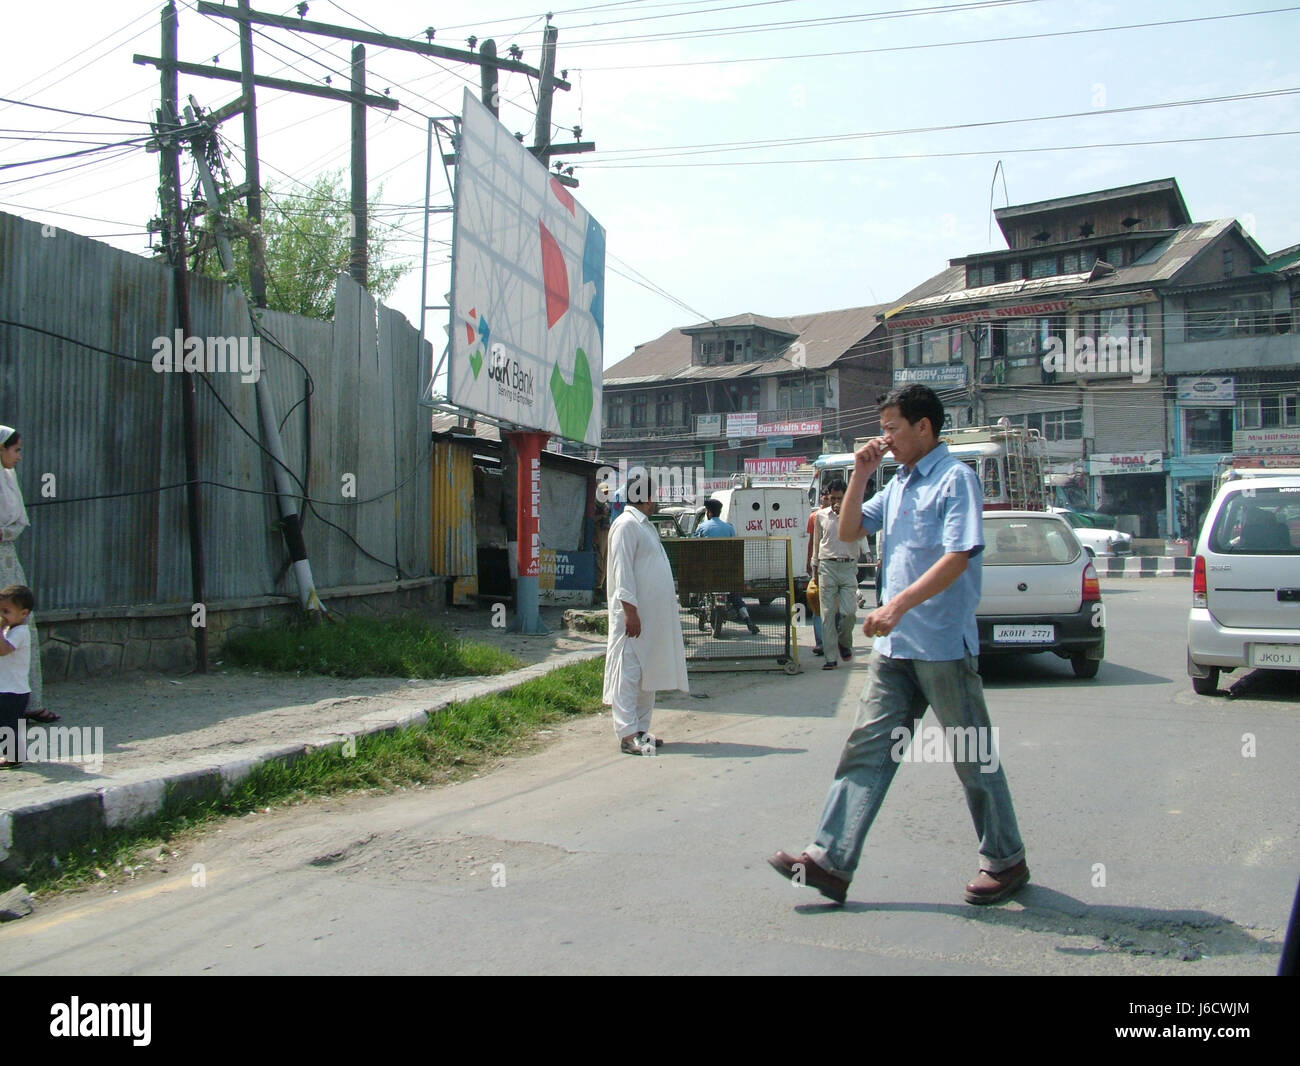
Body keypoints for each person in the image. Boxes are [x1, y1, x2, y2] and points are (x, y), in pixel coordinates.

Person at [769, 385, 1028, 906]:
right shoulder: (902, 482)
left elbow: (958, 556)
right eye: (882, 428)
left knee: (971, 755)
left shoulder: (956, 481)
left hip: (940, 646)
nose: (884, 438)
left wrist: (896, 606)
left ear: (923, 427)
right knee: (866, 749)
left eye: (891, 428)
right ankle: (829, 861)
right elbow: (847, 530)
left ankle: (1006, 860)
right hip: (895, 650)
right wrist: (862, 474)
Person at [602, 467, 689, 756]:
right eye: (654, 495)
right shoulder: (626, 525)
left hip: (650, 618)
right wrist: (631, 612)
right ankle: (627, 734)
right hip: (633, 617)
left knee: (645, 672)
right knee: (628, 673)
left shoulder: (644, 525)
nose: (657, 500)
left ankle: (640, 729)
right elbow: (622, 573)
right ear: (646, 498)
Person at [0, 427, 55, 723]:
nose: (19, 457)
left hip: (6, 559)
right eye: (15, 450)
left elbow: (17, 521)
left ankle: (28, 701)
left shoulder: (7, 480)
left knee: (19, 622)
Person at [809, 478, 867, 670]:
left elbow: (861, 537)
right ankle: (830, 658)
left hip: (848, 567)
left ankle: (844, 641)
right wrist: (814, 569)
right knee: (827, 614)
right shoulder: (820, 516)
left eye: (840, 499)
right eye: (832, 498)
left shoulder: (856, 515)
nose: (835, 503)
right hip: (827, 567)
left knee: (848, 613)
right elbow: (817, 544)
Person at [693, 498, 760, 635]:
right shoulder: (729, 528)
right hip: (727, 570)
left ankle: (700, 608)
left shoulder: (702, 527)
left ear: (709, 512)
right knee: (734, 595)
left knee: (699, 586)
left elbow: (693, 544)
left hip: (708, 570)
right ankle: (748, 620)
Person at [0, 584, 35, 769]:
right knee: (8, 724)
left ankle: (13, 757)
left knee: (6, 724)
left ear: (23, 613)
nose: (2, 616)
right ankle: (15, 754)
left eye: (6, 611)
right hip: (6, 687)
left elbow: (3, 650)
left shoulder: (20, 632)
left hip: (12, 690)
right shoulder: (9, 630)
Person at [805, 488, 830, 654]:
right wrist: (809, 562)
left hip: (834, 565)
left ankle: (833, 640)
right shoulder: (815, 517)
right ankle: (821, 642)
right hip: (819, 564)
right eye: (825, 497)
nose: (827, 500)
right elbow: (812, 542)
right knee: (816, 603)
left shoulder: (839, 515)